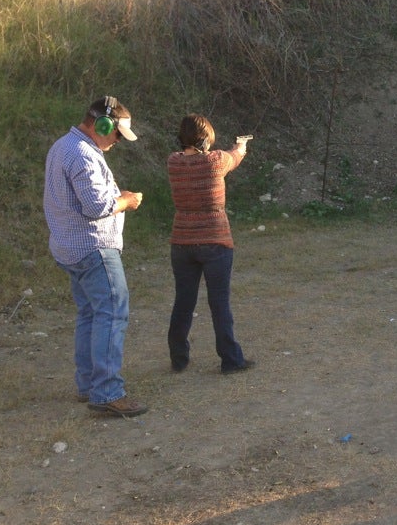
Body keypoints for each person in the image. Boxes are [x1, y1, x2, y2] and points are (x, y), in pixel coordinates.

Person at [44, 96, 147, 417]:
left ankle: (88, 384)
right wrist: (126, 201)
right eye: (117, 134)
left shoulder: (63, 146)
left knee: (90, 313)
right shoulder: (83, 155)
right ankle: (106, 392)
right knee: (112, 313)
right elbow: (97, 207)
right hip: (93, 249)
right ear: (103, 126)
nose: (118, 141)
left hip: (71, 248)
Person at [166, 114, 254, 374]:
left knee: (183, 301)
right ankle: (231, 359)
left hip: (181, 241)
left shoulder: (173, 162)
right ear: (206, 140)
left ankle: (178, 358)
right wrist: (241, 148)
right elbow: (234, 156)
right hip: (215, 241)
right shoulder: (216, 161)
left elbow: (194, 157)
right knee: (219, 303)